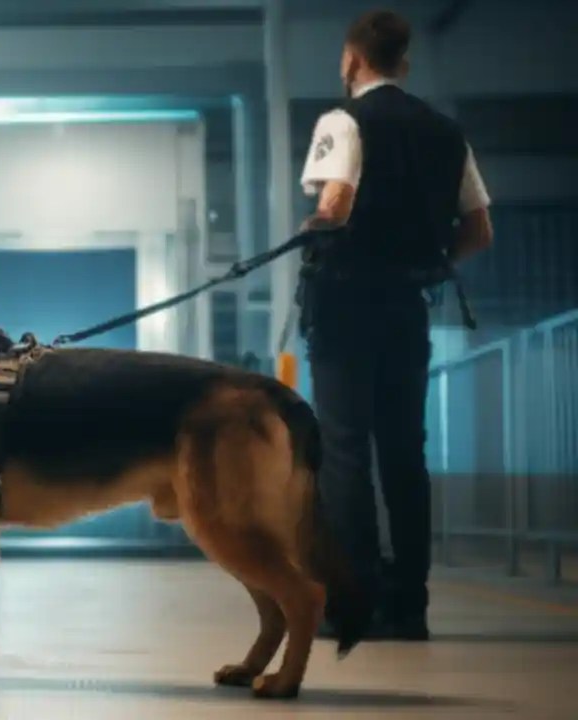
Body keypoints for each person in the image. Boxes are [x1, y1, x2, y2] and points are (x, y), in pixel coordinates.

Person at [295, 8, 494, 641]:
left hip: (346, 307)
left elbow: (336, 204)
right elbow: (479, 231)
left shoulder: (342, 120)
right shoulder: (446, 132)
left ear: (353, 61)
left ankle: (356, 599)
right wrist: (428, 265)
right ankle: (409, 603)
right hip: (409, 310)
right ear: (402, 64)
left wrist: (314, 230)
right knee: (406, 455)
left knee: (345, 453)